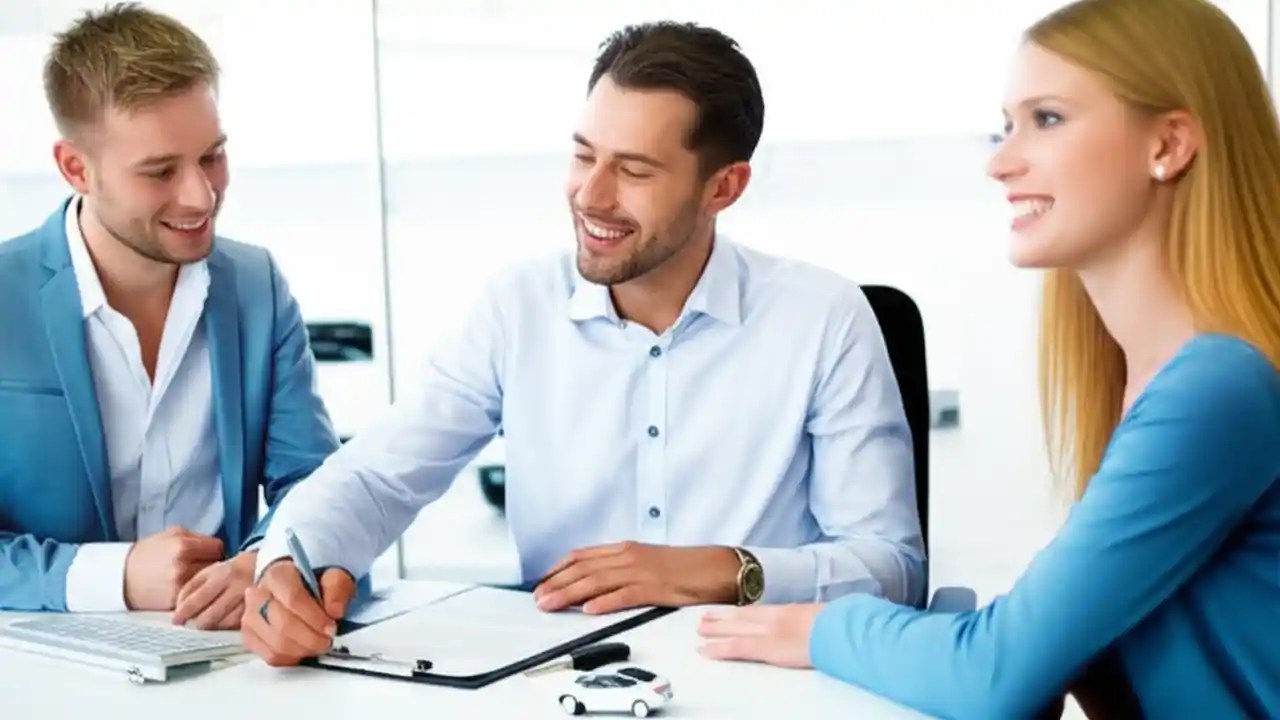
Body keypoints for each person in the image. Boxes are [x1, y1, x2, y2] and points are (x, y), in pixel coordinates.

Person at [239, 21, 925, 665]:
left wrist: (714, 568)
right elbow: (376, 475)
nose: (590, 196)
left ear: (724, 187)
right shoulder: (517, 308)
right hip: (556, 676)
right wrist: (286, 562)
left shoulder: (824, 318)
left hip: (753, 676)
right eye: (582, 155)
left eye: (633, 171)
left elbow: (891, 571)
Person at [697, 0, 1280, 717]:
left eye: (1048, 119)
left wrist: (824, 625)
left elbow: (992, 679)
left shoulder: (1218, 389)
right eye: (1008, 125)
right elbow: (1049, 665)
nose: (1002, 162)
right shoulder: (1164, 379)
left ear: (1168, 144)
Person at [0, 3, 340, 630]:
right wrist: (117, 575)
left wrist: (268, 561)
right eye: (160, 172)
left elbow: (316, 487)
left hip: (224, 660)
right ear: (77, 168)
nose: (201, 195)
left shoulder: (256, 287)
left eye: (212, 156)